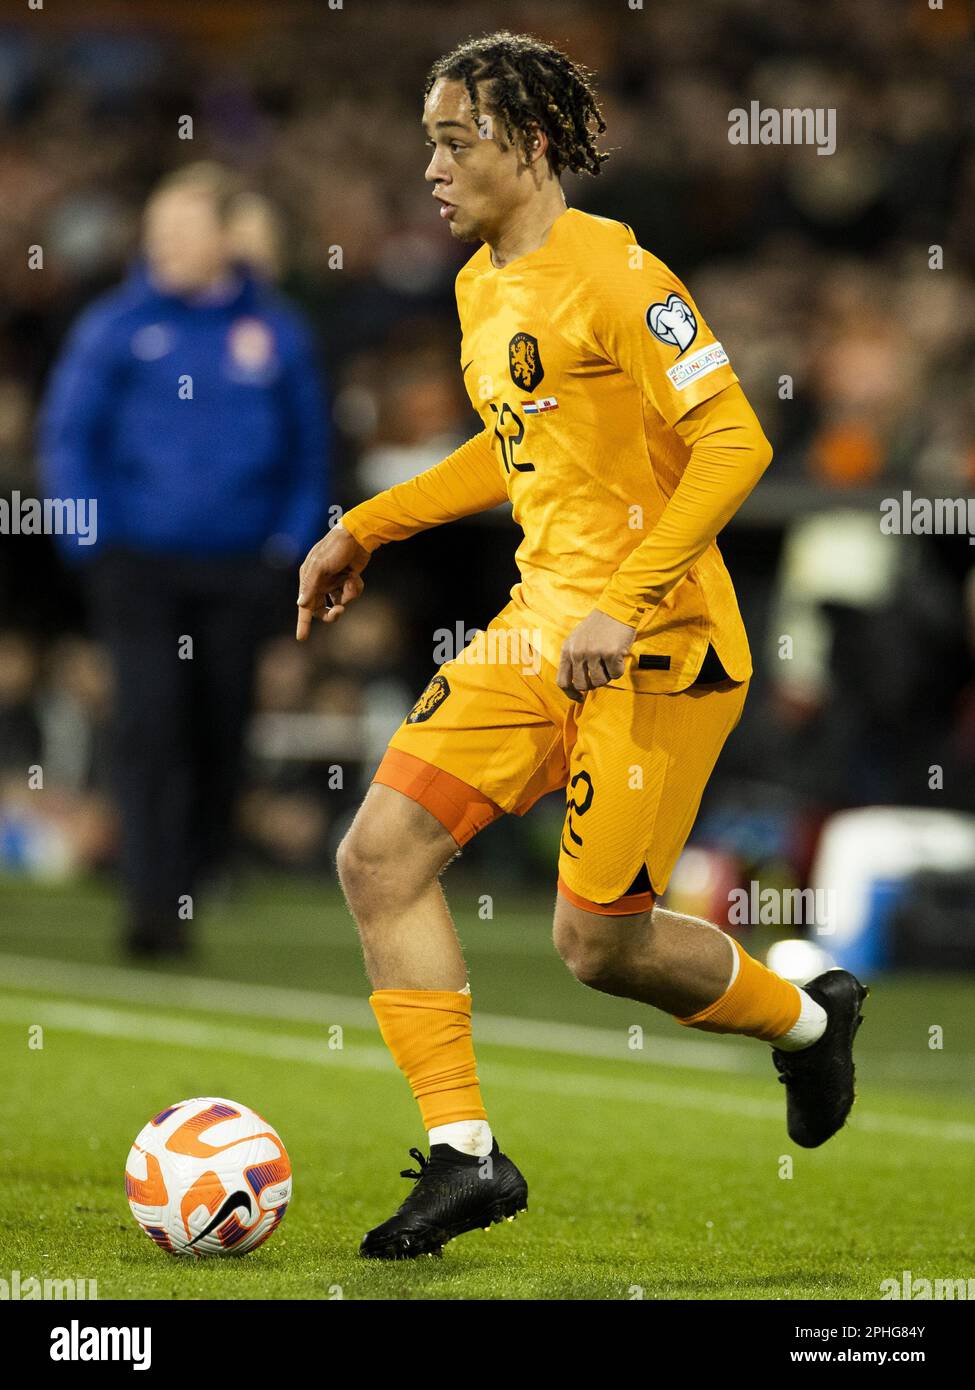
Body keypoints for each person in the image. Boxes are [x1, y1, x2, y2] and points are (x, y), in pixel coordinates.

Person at [296, 31, 867, 1260]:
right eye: (429, 144)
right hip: (536, 632)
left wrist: (625, 599)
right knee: (380, 857)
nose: (433, 170)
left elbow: (737, 446)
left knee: (598, 945)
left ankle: (813, 1025)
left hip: (659, 646)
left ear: (531, 143)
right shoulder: (477, 286)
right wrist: (367, 528)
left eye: (457, 142)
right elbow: (516, 449)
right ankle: (465, 1156)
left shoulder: (620, 272)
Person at [41, 162, 328, 957]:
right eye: (158, 229)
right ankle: (150, 899)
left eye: (183, 229)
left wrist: (287, 545)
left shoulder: (275, 332)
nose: (164, 244)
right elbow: (70, 438)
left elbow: (309, 450)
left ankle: (197, 867)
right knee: (149, 722)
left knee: (221, 728)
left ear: (225, 238)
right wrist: (92, 542)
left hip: (240, 569)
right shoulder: (116, 326)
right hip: (140, 567)